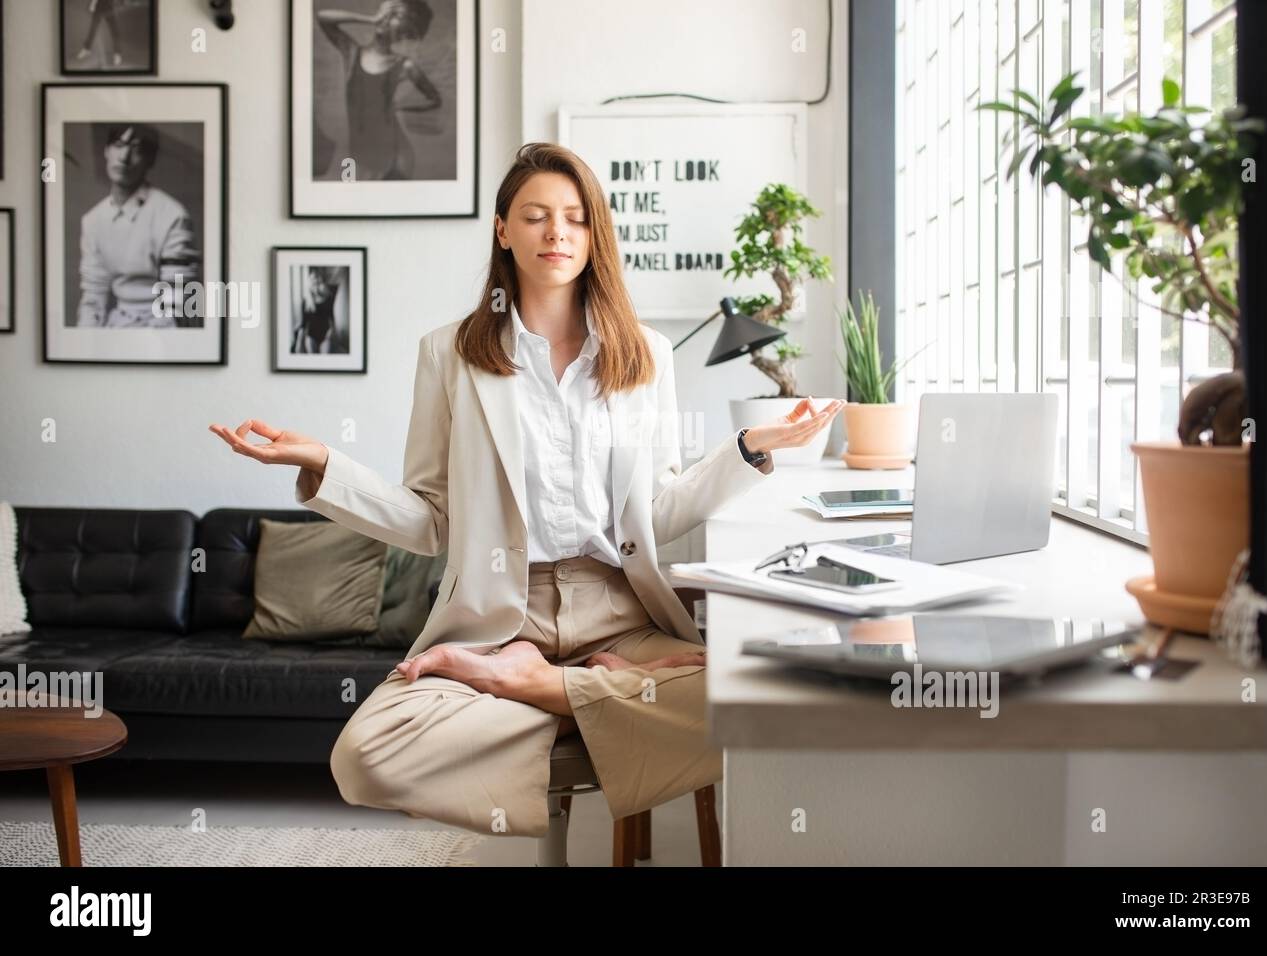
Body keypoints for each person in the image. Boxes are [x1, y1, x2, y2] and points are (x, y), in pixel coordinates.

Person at [210, 142, 844, 839]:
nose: (557, 233)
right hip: (501, 617)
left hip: (619, 615)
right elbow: (429, 520)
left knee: (752, 694)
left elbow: (659, 511)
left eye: (575, 218)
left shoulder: (646, 355)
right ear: (502, 229)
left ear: (595, 232)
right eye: (536, 216)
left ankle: (533, 688)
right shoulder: (449, 354)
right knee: (365, 754)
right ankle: (570, 689)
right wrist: (326, 465)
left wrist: (748, 449)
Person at [76, 124, 199, 329]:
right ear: (106, 151)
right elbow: (92, 298)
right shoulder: (93, 220)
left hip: (164, 330)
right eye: (118, 145)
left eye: (136, 148)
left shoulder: (172, 216)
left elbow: (177, 303)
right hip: (117, 328)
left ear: (150, 160)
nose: (124, 156)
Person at [316, 1, 443, 181]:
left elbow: (434, 100)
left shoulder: (405, 65)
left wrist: (401, 107)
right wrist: (370, 19)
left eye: (396, 15)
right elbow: (323, 18)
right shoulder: (352, 53)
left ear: (406, 29)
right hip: (359, 159)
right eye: (386, 11)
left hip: (395, 159)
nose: (385, 17)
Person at [74, 0, 123, 69]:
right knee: (93, 28)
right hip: (99, 6)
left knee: (114, 31)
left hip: (109, 5)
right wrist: (93, 3)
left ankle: (117, 54)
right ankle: (86, 49)